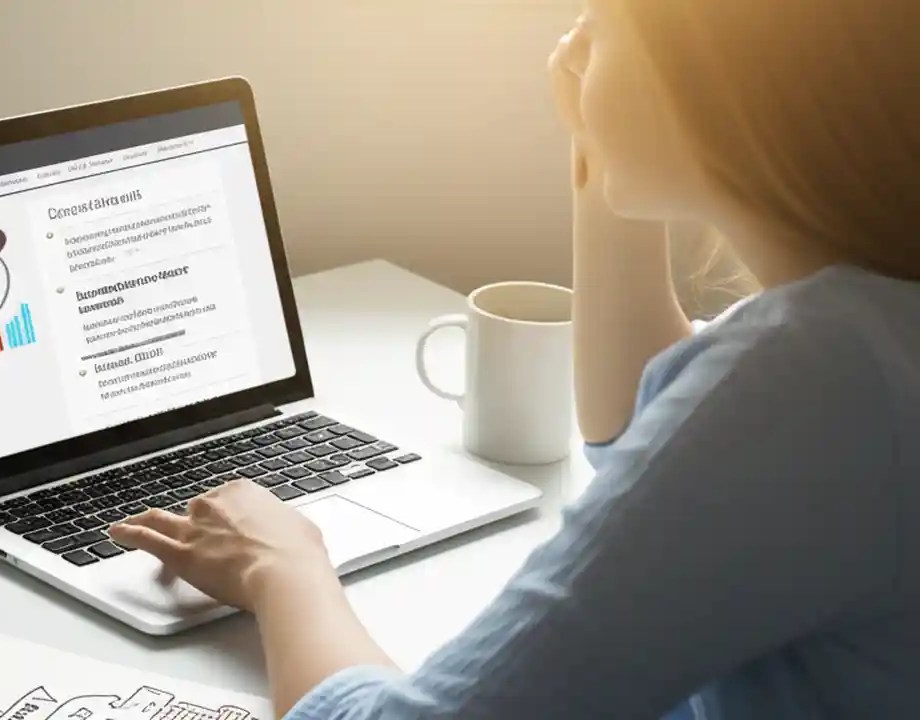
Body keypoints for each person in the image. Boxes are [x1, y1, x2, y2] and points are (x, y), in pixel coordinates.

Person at [110, 0, 920, 716]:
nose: (572, 47)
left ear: (711, 84)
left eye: (602, 27)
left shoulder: (812, 376)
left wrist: (281, 569)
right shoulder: (861, 327)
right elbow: (643, 428)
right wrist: (600, 156)